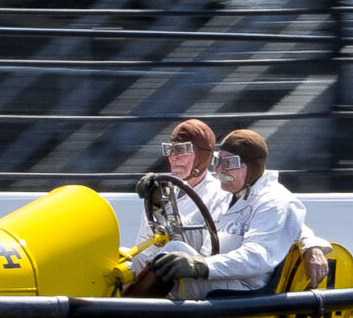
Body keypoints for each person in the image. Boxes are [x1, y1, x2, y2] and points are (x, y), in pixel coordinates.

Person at [131, 121, 331, 298]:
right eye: (218, 162)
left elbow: (258, 255)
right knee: (169, 251)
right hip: (217, 276)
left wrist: (201, 266)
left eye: (229, 163)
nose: (219, 170)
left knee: (171, 257)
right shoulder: (227, 194)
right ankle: (125, 306)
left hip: (243, 291)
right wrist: (159, 205)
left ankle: (128, 315)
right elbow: (189, 233)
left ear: (252, 167)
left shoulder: (274, 200)